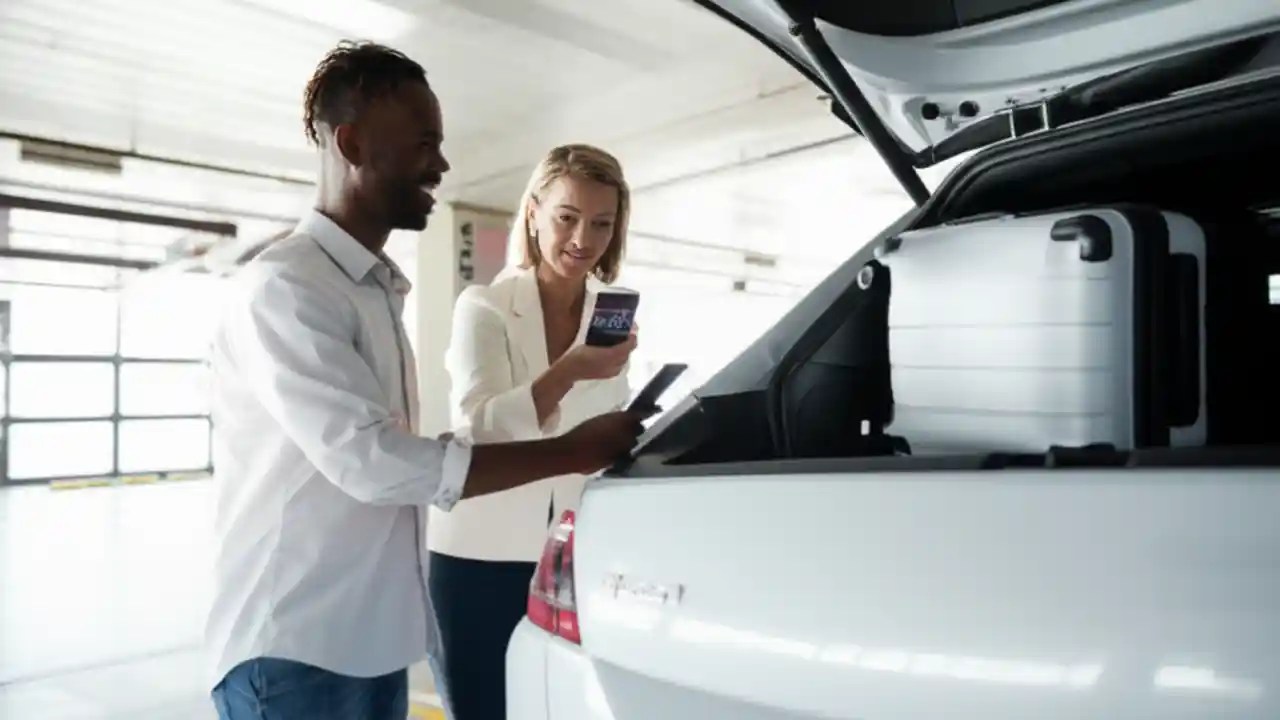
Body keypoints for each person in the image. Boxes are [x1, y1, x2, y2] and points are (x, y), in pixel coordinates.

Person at [203, 43, 643, 720]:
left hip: (374, 641)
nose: (440, 164)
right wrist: (575, 447)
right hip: (293, 648)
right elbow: (374, 463)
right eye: (424, 143)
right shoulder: (286, 287)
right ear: (352, 142)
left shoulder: (376, 291)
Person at [427, 144, 637, 719]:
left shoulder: (609, 317)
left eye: (601, 223)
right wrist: (570, 371)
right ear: (534, 213)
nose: (582, 238)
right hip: (478, 557)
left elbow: (598, 443)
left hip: (568, 556)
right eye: (567, 217)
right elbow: (479, 427)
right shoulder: (485, 307)